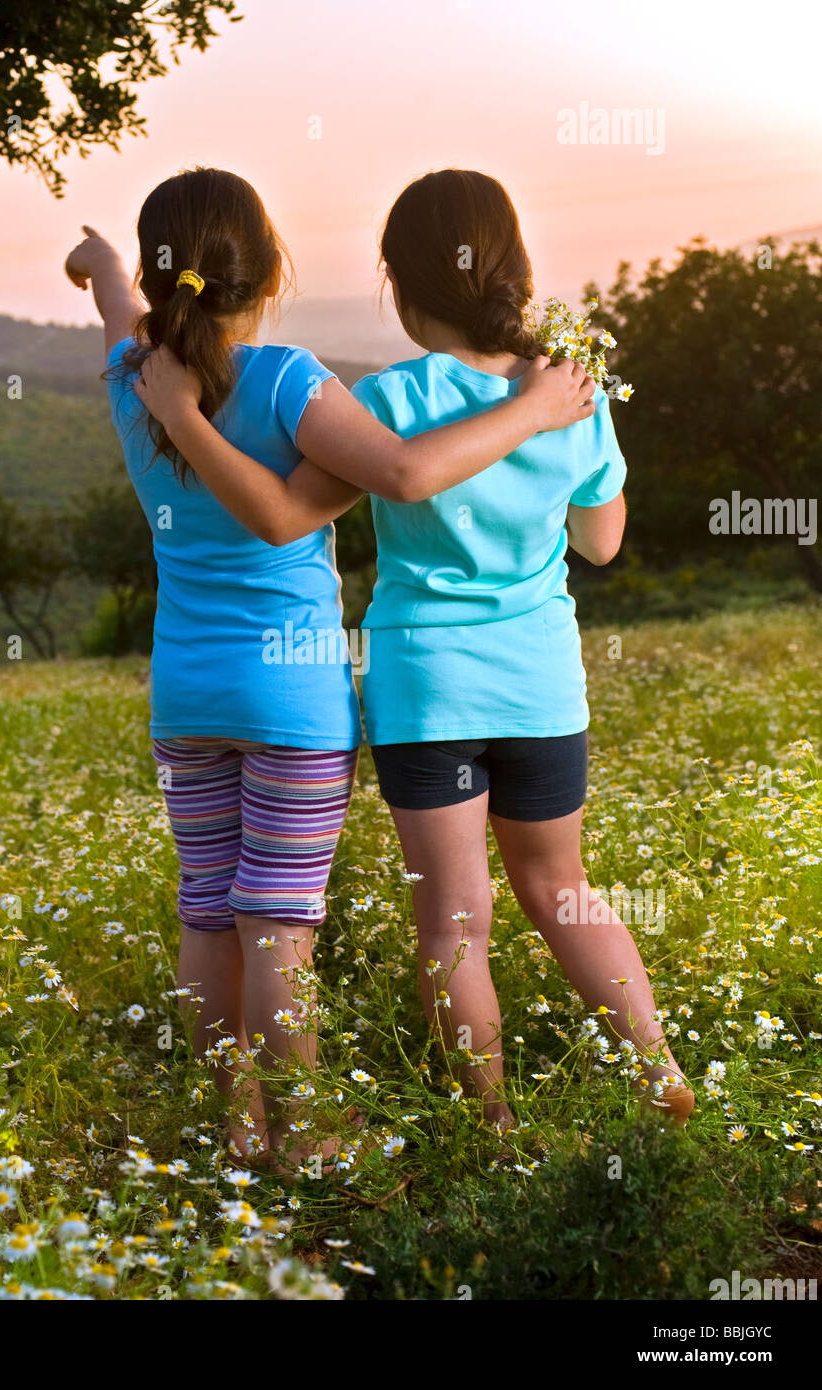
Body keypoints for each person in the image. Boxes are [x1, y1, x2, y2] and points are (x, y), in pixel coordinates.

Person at [134, 168, 695, 1129]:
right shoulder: (574, 389)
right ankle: (658, 1070)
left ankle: (493, 1127)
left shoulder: (390, 398)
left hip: (425, 687)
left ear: (392, 281)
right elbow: (601, 541)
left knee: (451, 925)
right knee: (562, 887)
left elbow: (314, 502)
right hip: (542, 685)